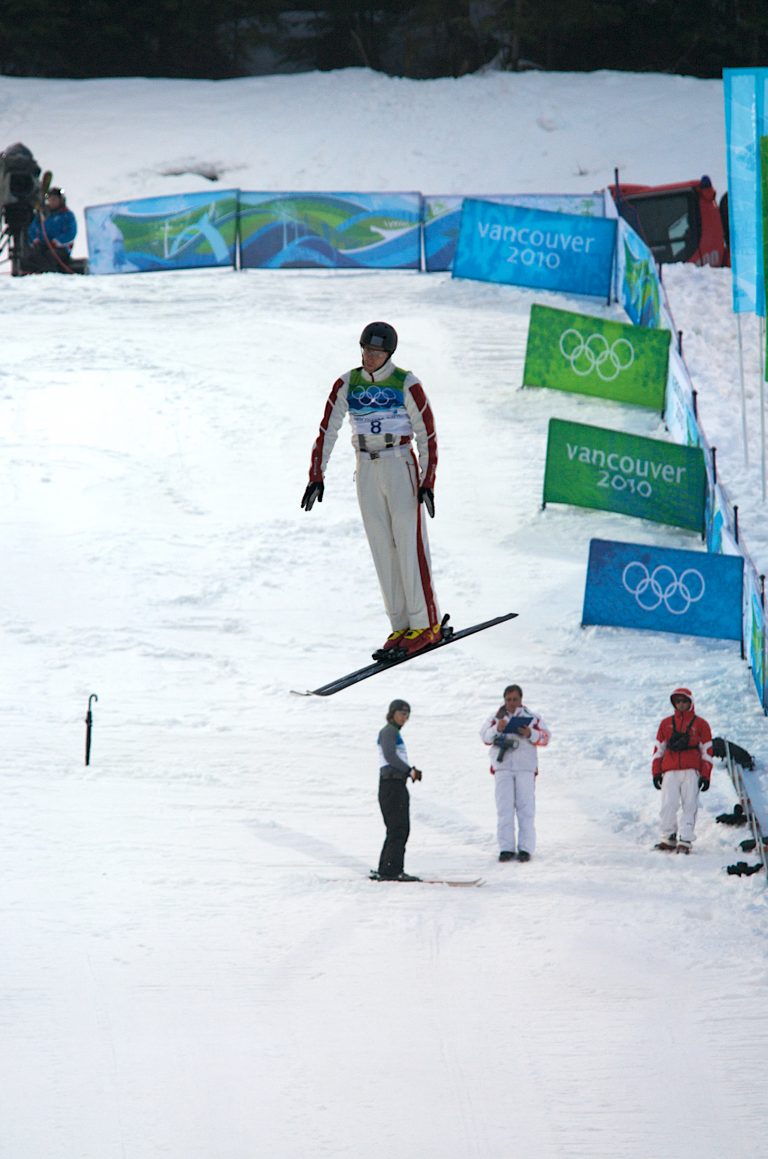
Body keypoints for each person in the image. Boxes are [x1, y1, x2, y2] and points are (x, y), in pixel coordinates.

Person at [301, 322, 441, 658]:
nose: (368, 356)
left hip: (398, 463)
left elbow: (428, 435)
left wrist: (427, 480)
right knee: (382, 547)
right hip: (365, 466)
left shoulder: (406, 382)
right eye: (365, 349)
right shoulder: (348, 383)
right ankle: (401, 625)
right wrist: (316, 474)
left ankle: (427, 624)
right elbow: (327, 430)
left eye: (376, 352)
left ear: (388, 354)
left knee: (409, 545)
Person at [480, 684, 550, 863]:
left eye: (515, 699)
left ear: (521, 700)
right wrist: (498, 729)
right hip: (503, 768)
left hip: (525, 768)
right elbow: (484, 737)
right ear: (504, 700)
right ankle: (506, 848)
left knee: (526, 809)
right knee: (504, 809)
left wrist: (530, 733)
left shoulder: (532, 718)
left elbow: (546, 737)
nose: (511, 703)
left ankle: (525, 848)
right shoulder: (496, 718)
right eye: (508, 700)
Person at [651, 687, 713, 854]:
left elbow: (707, 752)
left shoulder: (701, 724)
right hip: (670, 770)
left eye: (685, 701)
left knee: (690, 804)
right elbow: (658, 750)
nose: (681, 704)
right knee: (668, 804)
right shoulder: (665, 724)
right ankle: (668, 837)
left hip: (692, 771)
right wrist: (656, 772)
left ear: (691, 702)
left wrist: (706, 775)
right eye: (678, 701)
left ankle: (685, 840)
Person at [372, 698, 422, 881]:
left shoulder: (392, 732)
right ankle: (392, 871)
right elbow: (390, 756)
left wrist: (409, 772)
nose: (405, 717)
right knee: (399, 828)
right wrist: (409, 771)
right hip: (391, 785)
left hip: (394, 784)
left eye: (407, 714)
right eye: (402, 713)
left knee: (396, 828)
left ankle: (386, 869)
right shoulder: (389, 731)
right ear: (392, 713)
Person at [22, 186, 77, 273]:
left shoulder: (67, 215)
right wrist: (35, 240)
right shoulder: (42, 214)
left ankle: (50, 277)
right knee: (31, 257)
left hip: (60, 248)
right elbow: (32, 229)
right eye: (50, 200)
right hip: (43, 245)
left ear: (60, 200)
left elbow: (71, 233)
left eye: (54, 199)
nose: (52, 202)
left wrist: (57, 242)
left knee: (50, 256)